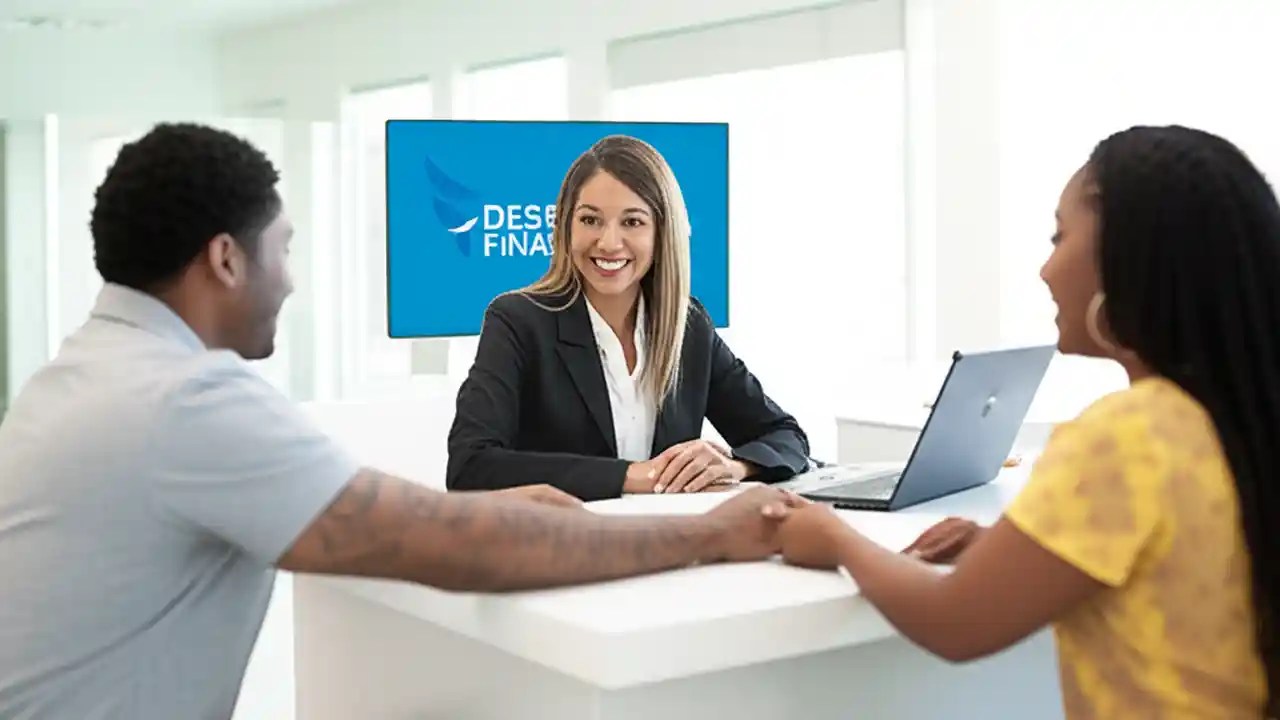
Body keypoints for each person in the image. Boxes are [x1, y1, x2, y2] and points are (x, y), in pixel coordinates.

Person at [0, 123, 803, 720]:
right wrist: (711, 533)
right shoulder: (185, 401)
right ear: (225, 260)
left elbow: (435, 516)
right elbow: (446, 540)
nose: (290, 281)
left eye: (633, 220)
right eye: (285, 249)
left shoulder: (70, 381)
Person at [772, 125, 1279, 718]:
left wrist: (836, 539)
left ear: (1129, 256)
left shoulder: (1129, 433)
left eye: (1059, 236)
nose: (1044, 268)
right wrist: (1022, 552)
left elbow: (956, 622)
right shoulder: (1229, 416)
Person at [447, 135, 810, 501]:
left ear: (661, 233)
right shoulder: (518, 321)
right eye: (590, 219)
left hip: (668, 542)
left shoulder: (689, 325)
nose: (608, 242)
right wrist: (634, 476)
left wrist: (734, 466)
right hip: (559, 543)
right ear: (565, 226)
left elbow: (785, 436)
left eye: (632, 222)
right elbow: (471, 465)